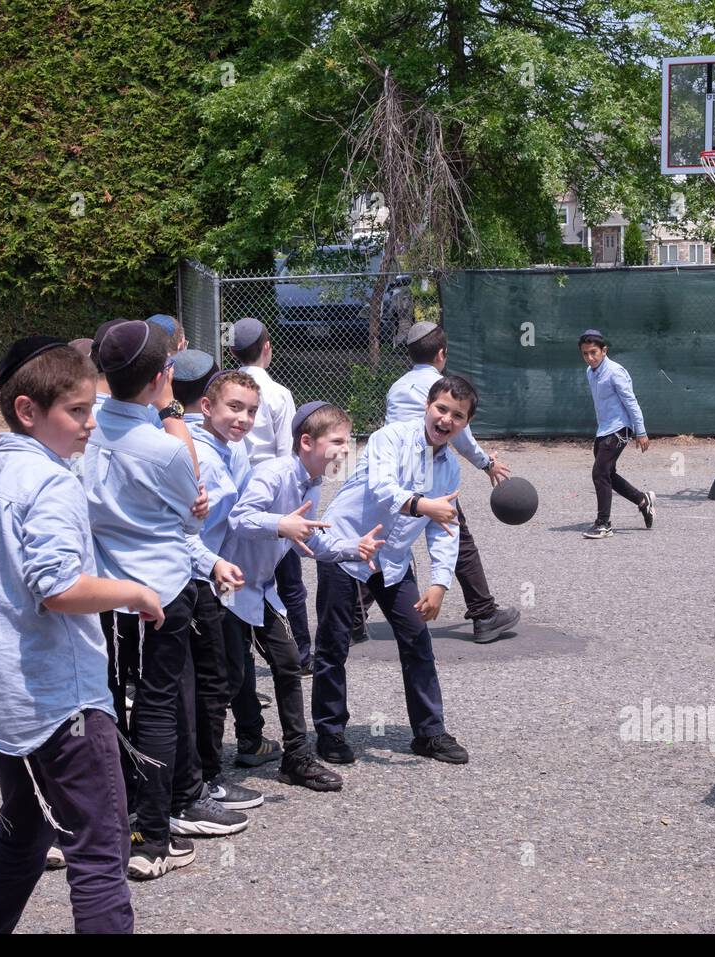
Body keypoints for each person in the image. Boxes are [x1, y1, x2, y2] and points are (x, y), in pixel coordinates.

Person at [0, 336, 163, 933]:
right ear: (28, 410)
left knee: (25, 832)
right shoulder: (52, 482)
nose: (89, 424)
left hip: (0, 702)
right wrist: (133, 592)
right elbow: (57, 588)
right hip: (64, 703)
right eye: (77, 412)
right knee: (99, 849)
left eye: (91, 409)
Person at [83, 321, 248, 882]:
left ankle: (113, 817)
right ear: (162, 377)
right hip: (161, 590)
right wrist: (172, 411)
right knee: (157, 707)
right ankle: (152, 835)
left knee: (107, 701)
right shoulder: (164, 448)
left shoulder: (85, 428)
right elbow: (189, 515)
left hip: (103, 591)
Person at [312, 375, 477, 767]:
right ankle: (330, 731)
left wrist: (439, 583)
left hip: (392, 559)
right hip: (346, 546)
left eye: (458, 416)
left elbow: (445, 528)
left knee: (418, 639)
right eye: (441, 409)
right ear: (427, 406)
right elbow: (382, 489)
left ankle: (429, 733)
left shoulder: (450, 467)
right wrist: (423, 505)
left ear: (465, 424)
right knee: (334, 643)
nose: (446, 419)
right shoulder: (391, 438)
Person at [223, 400, 385, 790]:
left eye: (349, 442)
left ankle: (296, 758)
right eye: (339, 441)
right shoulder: (275, 473)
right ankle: (203, 772)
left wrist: (353, 548)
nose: (347, 450)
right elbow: (240, 519)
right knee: (227, 678)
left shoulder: (310, 482)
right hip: (226, 584)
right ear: (307, 442)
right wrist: (282, 523)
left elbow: (308, 539)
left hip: (258, 587)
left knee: (287, 663)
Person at [378, 321, 520, 643]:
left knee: (382, 537)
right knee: (456, 535)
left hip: (396, 473)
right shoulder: (443, 388)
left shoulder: (397, 386)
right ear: (442, 354)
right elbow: (462, 438)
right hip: (429, 472)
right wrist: (489, 465)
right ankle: (484, 614)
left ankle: (353, 618)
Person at [172, 351, 268, 805]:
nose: (244, 419)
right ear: (206, 406)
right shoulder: (200, 458)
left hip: (220, 575)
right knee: (212, 682)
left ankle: (202, 770)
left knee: (225, 672)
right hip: (200, 577)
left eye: (251, 411)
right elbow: (185, 532)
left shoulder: (227, 449)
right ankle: (202, 780)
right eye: (234, 408)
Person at [230, 316, 314, 673]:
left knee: (235, 572)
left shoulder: (223, 387)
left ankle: (240, 649)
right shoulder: (279, 393)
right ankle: (301, 653)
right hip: (272, 492)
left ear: (232, 352)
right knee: (288, 576)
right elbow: (287, 452)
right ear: (267, 348)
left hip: (234, 489)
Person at [578, 328, 655, 539]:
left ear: (604, 350)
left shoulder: (615, 372)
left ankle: (604, 524)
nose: (590, 358)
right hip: (603, 429)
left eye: (594, 352)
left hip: (620, 430)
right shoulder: (590, 372)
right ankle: (642, 500)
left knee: (599, 472)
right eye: (585, 354)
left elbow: (631, 402)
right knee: (608, 473)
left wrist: (641, 431)